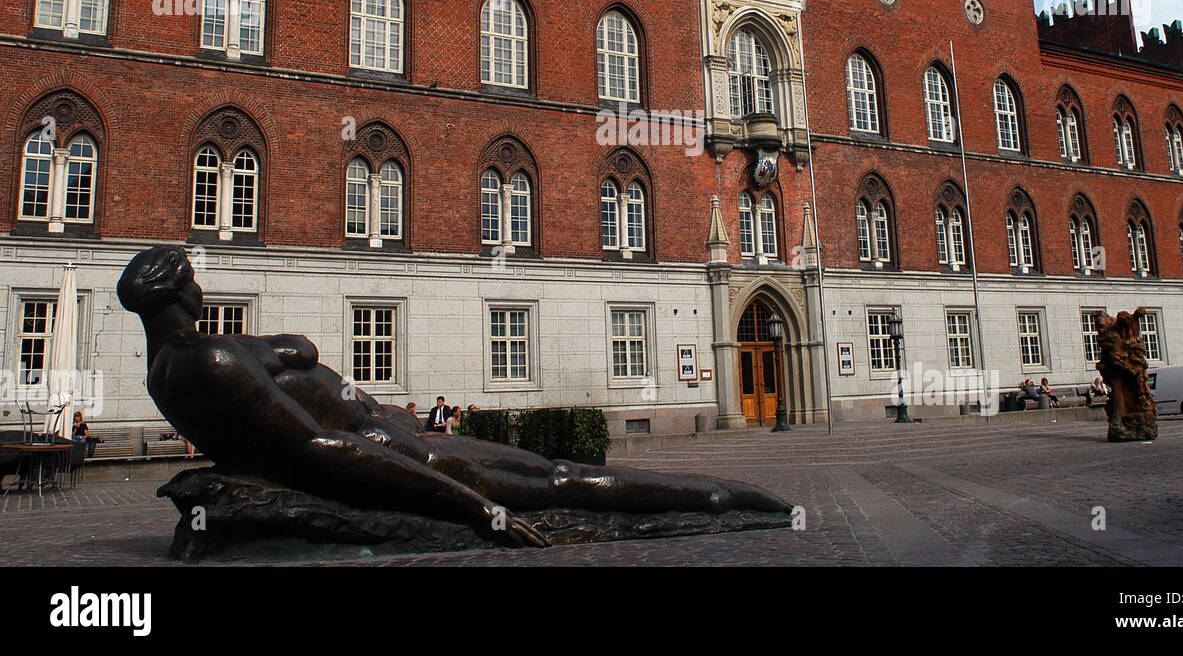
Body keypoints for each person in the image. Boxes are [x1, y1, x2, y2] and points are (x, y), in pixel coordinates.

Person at [116, 246, 790, 550]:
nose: (204, 289)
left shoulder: (170, 372)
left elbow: (295, 389)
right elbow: (322, 448)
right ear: (178, 292)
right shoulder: (212, 358)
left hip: (402, 437)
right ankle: (731, 500)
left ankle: (733, 499)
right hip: (412, 456)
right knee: (569, 479)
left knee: (571, 479)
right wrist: (476, 507)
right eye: (194, 279)